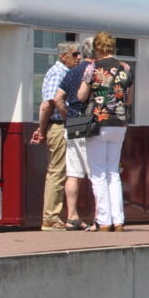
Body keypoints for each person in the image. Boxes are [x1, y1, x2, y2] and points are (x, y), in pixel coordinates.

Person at [78, 31, 133, 231]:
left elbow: (82, 95)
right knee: (113, 172)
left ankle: (104, 220)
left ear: (98, 48)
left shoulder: (93, 67)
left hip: (98, 123)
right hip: (119, 124)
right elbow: (128, 100)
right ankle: (118, 221)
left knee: (98, 174)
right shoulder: (126, 67)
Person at [29, 41, 83, 230]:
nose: (79, 58)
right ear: (63, 56)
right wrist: (42, 130)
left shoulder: (66, 73)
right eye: (75, 54)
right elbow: (48, 104)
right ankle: (51, 217)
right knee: (57, 172)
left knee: (65, 171)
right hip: (59, 126)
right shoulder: (58, 73)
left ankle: (58, 216)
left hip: (61, 126)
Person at [53, 44, 95, 229]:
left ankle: (72, 217)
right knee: (97, 173)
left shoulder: (72, 72)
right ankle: (101, 218)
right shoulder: (96, 71)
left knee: (74, 172)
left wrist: (67, 115)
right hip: (89, 122)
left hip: (72, 122)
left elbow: (57, 98)